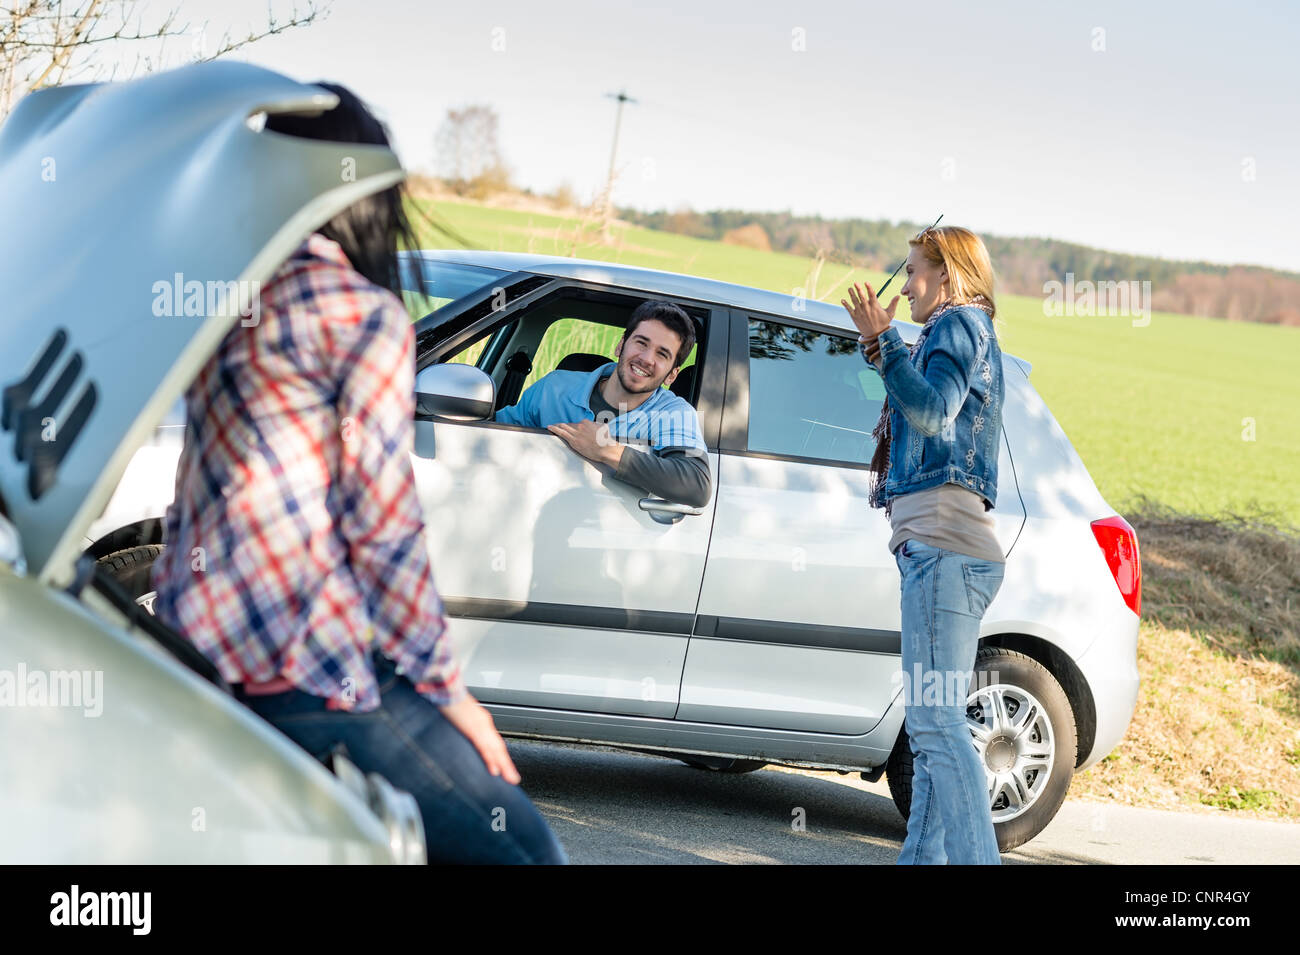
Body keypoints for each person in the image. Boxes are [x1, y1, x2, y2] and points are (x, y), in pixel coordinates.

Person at [151, 83, 566, 865]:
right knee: (526, 849)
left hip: (195, 649)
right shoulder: (359, 315)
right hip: (299, 665)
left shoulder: (221, 293)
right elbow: (383, 530)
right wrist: (449, 692)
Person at [842, 225, 1006, 865]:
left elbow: (935, 411)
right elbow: (920, 403)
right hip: (942, 550)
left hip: (943, 546)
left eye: (913, 270)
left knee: (936, 727)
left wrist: (884, 343)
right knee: (935, 731)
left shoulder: (960, 324)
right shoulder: (957, 331)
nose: (905, 284)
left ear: (948, 273)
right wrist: (878, 347)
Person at [495, 300, 712, 507]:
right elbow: (495, 437)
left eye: (662, 354)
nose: (646, 358)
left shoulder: (675, 414)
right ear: (620, 345)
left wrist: (607, 450)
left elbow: (697, 484)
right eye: (641, 343)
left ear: (672, 375)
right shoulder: (554, 386)